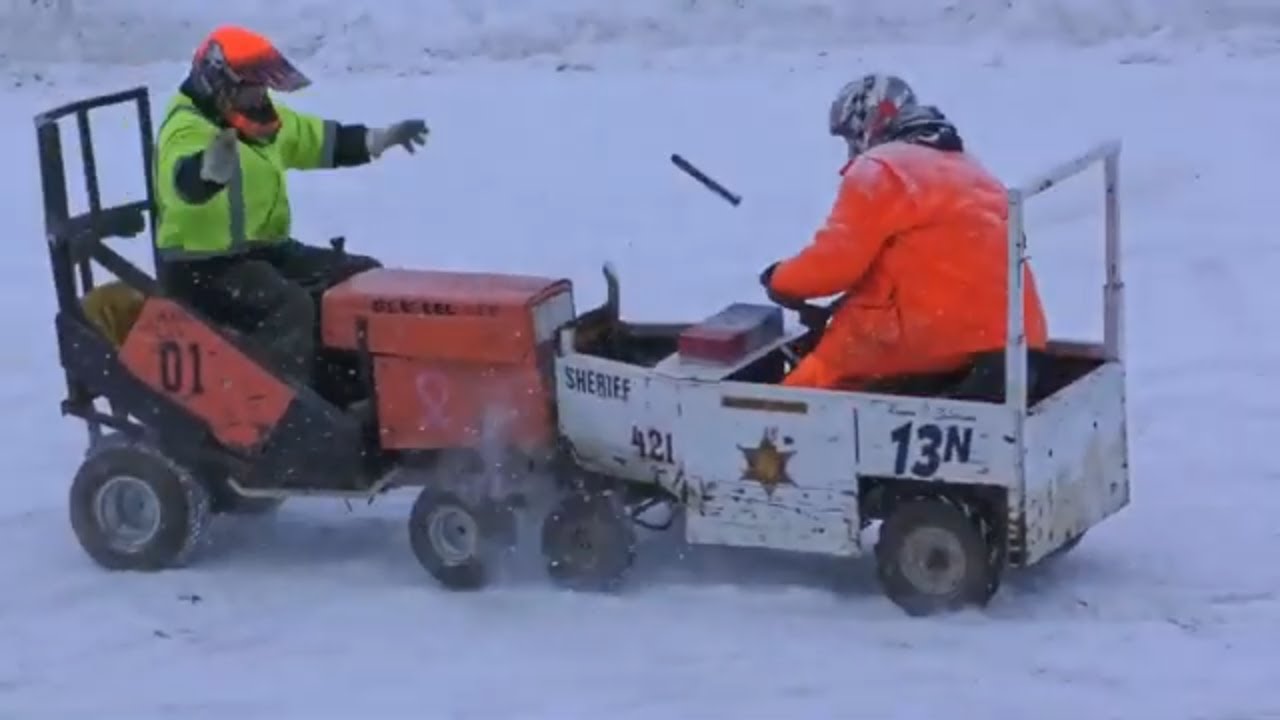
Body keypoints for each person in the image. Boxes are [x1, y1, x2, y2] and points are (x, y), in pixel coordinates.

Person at [153, 25, 429, 384]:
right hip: (204, 268)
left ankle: (345, 384)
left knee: (358, 278)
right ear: (219, 83)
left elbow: (317, 140)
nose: (260, 96)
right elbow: (182, 180)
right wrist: (207, 171)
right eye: (252, 88)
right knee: (290, 307)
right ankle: (283, 407)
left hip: (263, 251)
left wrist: (379, 139)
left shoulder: (259, 122)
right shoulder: (186, 129)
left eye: (262, 87)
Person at [759, 73, 1048, 392]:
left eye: (849, 137)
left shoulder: (881, 169)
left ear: (867, 122)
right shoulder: (968, 167)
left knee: (801, 390)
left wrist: (780, 279)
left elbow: (834, 264)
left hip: (932, 336)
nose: (851, 148)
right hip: (1013, 337)